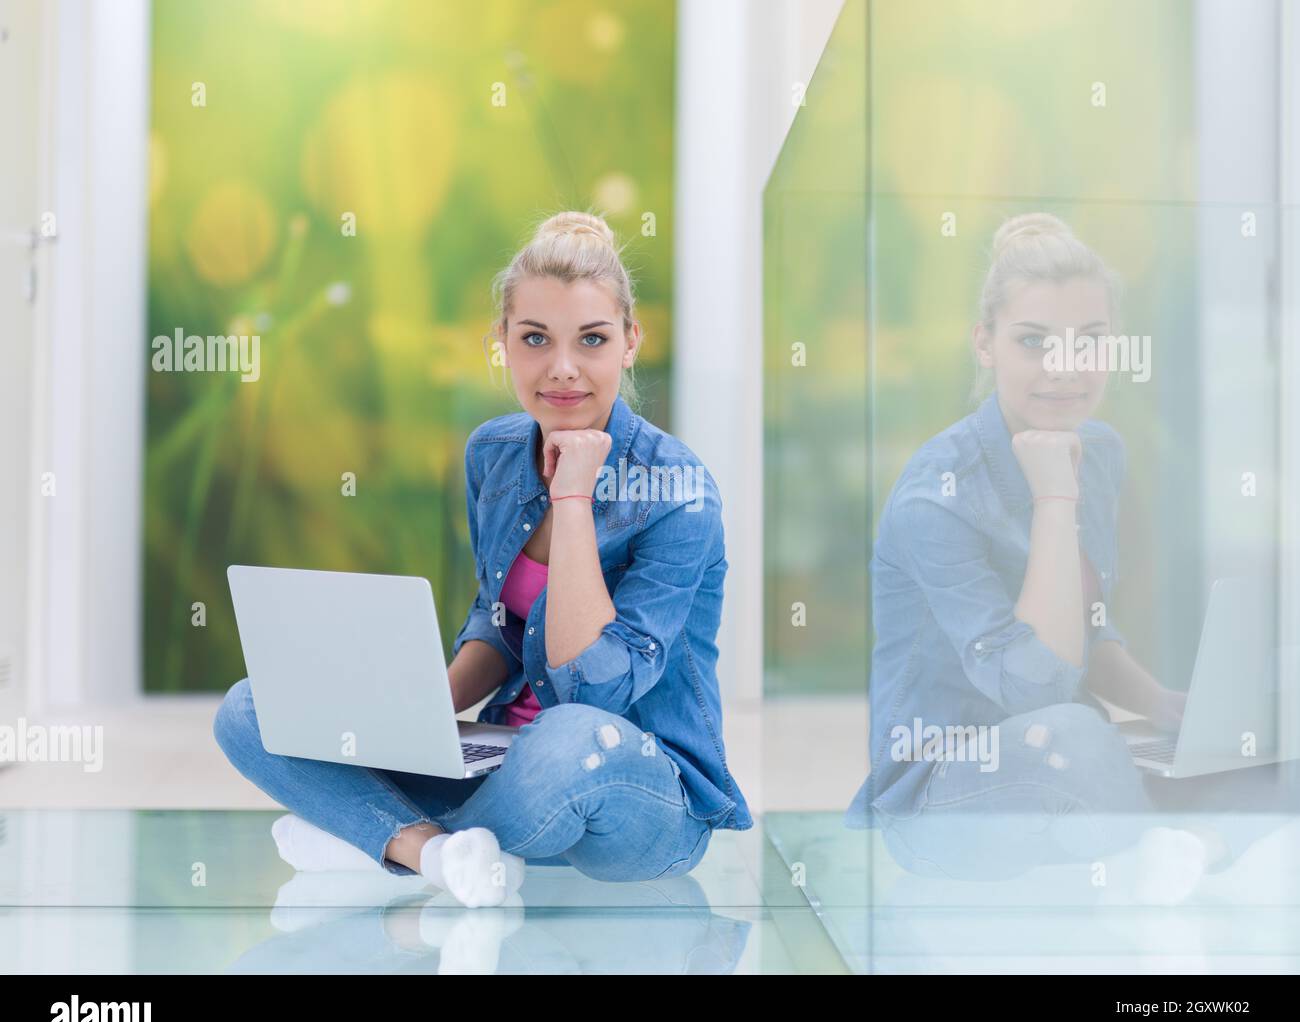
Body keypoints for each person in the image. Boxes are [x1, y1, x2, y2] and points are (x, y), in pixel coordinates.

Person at [214, 210, 751, 907]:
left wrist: (575, 500)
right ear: (501, 343)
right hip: (504, 765)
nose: (562, 368)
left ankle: (371, 839)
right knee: (251, 706)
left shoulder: (679, 490)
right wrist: (417, 715)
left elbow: (589, 694)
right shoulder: (493, 454)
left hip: (634, 790)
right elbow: (501, 622)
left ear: (629, 342)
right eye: (534, 338)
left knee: (565, 737)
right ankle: (431, 851)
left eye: (591, 339)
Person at [851, 212, 1299, 901]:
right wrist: (1054, 498)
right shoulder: (936, 496)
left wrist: (1163, 705)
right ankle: (1187, 845)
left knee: (1272, 756)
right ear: (986, 344)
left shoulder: (1101, 451)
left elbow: (1086, 629)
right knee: (1074, 735)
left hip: (1068, 766)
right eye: (1034, 341)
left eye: (1089, 342)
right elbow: (1039, 689)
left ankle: (1186, 847)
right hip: (944, 791)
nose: (1066, 370)